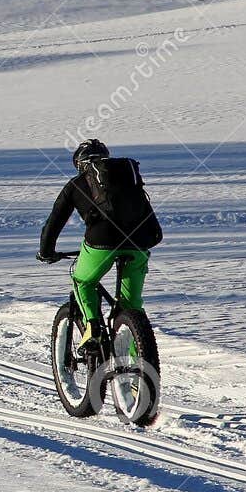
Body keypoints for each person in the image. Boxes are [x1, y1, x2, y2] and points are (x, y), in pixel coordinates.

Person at [37, 139, 163, 350]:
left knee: (82, 281)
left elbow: (54, 222)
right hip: (139, 243)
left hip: (101, 242)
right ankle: (140, 366)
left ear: (79, 163)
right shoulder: (129, 180)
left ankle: (92, 328)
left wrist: (46, 251)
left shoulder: (76, 183)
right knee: (132, 305)